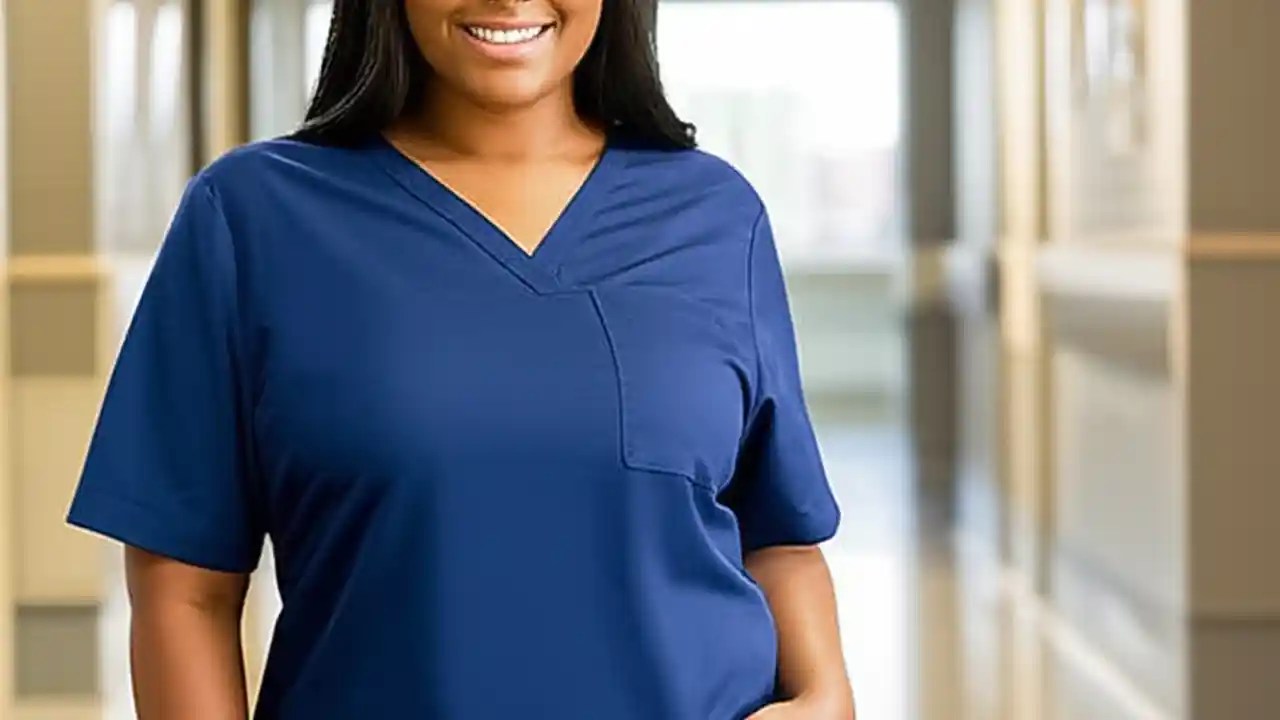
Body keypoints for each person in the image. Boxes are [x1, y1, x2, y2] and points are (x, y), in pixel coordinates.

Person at [66, 0, 855, 718]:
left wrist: (824, 697)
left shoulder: (716, 217)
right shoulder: (251, 218)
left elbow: (779, 534)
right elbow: (184, 591)